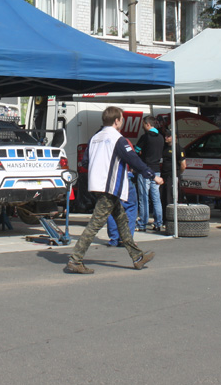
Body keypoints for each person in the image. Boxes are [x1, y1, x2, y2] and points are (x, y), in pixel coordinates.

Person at [65, 106, 161, 274]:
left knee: (121, 220)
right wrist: (153, 176)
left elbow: (86, 161)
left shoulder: (95, 138)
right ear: (117, 120)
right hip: (110, 186)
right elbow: (134, 160)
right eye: (122, 119)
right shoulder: (118, 139)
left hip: (97, 185)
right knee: (95, 224)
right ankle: (75, 259)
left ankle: (137, 257)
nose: (122, 122)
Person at [135, 115, 165, 232]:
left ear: (148, 124)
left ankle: (142, 223)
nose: (142, 126)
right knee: (156, 197)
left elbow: (136, 150)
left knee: (143, 197)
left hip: (145, 170)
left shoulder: (145, 137)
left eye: (143, 124)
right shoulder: (161, 138)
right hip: (156, 169)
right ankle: (158, 223)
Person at [106, 171, 138, 246]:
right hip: (126, 176)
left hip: (109, 178)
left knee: (112, 208)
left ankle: (114, 238)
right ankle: (126, 239)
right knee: (130, 207)